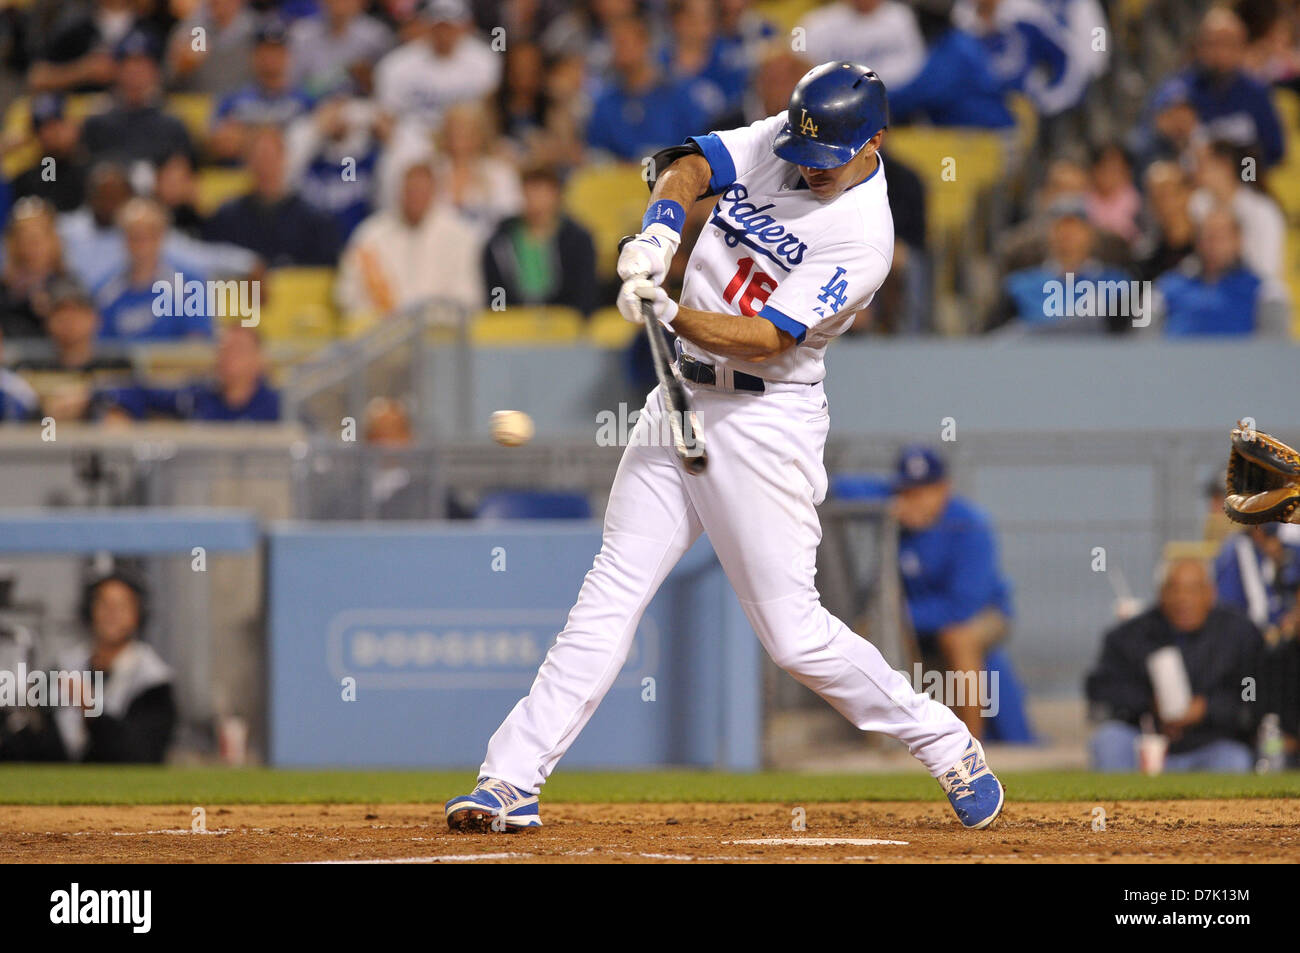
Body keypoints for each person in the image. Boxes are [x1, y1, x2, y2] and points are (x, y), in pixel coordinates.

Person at [445, 62, 1005, 834]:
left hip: (763, 422)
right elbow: (692, 164)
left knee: (794, 636)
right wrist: (658, 232)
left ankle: (947, 743)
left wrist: (668, 307)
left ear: (873, 142)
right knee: (611, 590)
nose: (805, 168)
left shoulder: (864, 237)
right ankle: (510, 778)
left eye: (824, 159)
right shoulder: (794, 133)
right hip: (679, 395)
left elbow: (769, 338)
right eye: (802, 148)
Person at [833, 446, 1022, 740]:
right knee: (867, 633)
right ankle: (886, 741)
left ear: (944, 489)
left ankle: (972, 745)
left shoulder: (969, 524)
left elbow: (961, 607)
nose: (914, 501)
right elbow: (838, 489)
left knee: (957, 636)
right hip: (918, 615)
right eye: (907, 491)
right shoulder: (894, 507)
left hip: (984, 614)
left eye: (924, 492)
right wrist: (886, 504)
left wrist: (898, 617)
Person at [1085, 557, 1261, 773]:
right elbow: (1101, 688)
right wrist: (1150, 704)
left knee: (1234, 759)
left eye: (1192, 590)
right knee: (1109, 740)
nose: (1183, 598)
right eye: (1174, 589)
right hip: (1146, 742)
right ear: (1161, 594)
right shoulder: (1131, 635)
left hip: (1210, 744)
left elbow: (1254, 697)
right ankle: (1117, 807)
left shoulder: (1239, 634)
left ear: (1210, 593)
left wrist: (1205, 709)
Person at [52, 569, 177, 763]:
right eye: (103, 604)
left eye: (121, 606)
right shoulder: (65, 668)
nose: (111, 614)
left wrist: (91, 709)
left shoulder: (153, 681)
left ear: (138, 615)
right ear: (89, 611)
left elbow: (142, 753)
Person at [336, 160, 481, 324]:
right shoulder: (370, 234)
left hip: (439, 336)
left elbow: (467, 299)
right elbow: (347, 295)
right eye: (411, 191)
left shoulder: (460, 236)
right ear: (400, 191)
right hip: (380, 336)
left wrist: (425, 321)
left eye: (422, 192)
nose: (416, 198)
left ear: (434, 193)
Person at [1141, 7, 1285, 169]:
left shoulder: (1255, 92)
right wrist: (1166, 134)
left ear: (1242, 47)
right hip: (1191, 186)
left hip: (1240, 184)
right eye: (1213, 43)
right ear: (1199, 46)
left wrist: (1244, 177)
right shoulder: (1176, 90)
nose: (1221, 53)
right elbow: (1145, 144)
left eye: (1229, 43)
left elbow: (1274, 150)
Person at [204, 126, 343, 267]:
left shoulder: (315, 221)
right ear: (247, 163)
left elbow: (325, 269)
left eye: (270, 157)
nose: (265, 166)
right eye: (258, 158)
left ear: (284, 159)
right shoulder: (226, 218)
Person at [90, 323, 278, 423]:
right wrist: (115, 405)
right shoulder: (197, 397)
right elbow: (144, 392)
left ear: (259, 359)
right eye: (224, 350)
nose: (229, 357)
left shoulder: (280, 407)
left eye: (239, 350)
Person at [585, 15, 712, 162]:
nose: (618, 51)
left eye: (624, 43)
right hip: (621, 181)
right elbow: (597, 155)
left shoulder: (679, 95)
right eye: (614, 44)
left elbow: (697, 146)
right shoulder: (605, 103)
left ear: (644, 43)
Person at [482, 163, 597, 315]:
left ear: (557, 195)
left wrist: (577, 320)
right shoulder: (500, 242)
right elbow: (496, 289)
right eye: (530, 192)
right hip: (515, 321)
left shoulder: (578, 241)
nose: (536, 199)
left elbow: (584, 290)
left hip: (564, 321)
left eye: (542, 192)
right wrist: (500, 316)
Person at [1153, 206, 1287, 336]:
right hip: (1175, 358)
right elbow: (1144, 342)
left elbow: (1274, 349)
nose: (1212, 245)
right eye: (1206, 236)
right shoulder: (1163, 289)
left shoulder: (1266, 291)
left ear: (1238, 240)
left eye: (1220, 237)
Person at [92, 197, 211, 341]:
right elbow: (101, 347)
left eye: (150, 235)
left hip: (177, 363)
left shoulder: (189, 285)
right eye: (134, 236)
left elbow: (198, 342)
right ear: (123, 239)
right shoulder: (105, 290)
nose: (142, 244)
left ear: (161, 236)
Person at [79, 28, 193, 167]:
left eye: (142, 64)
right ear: (117, 70)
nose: (134, 71)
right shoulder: (97, 121)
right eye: (128, 64)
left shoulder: (173, 124)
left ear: (155, 70)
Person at [209, 19, 314, 163]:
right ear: (254, 55)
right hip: (240, 176)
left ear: (287, 55)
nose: (270, 58)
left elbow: (314, 144)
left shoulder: (304, 100)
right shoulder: (232, 99)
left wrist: (246, 137)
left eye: (276, 51)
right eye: (264, 50)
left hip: (289, 177)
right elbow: (220, 144)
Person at [1215, 524, 1300, 641]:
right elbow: (1255, 611)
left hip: (1280, 629)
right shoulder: (1236, 551)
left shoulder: (1288, 548)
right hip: (1249, 636)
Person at [9, 92, 88, 213]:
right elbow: (49, 195)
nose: (50, 133)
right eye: (42, 128)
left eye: (55, 125)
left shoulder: (90, 161)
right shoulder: (40, 171)